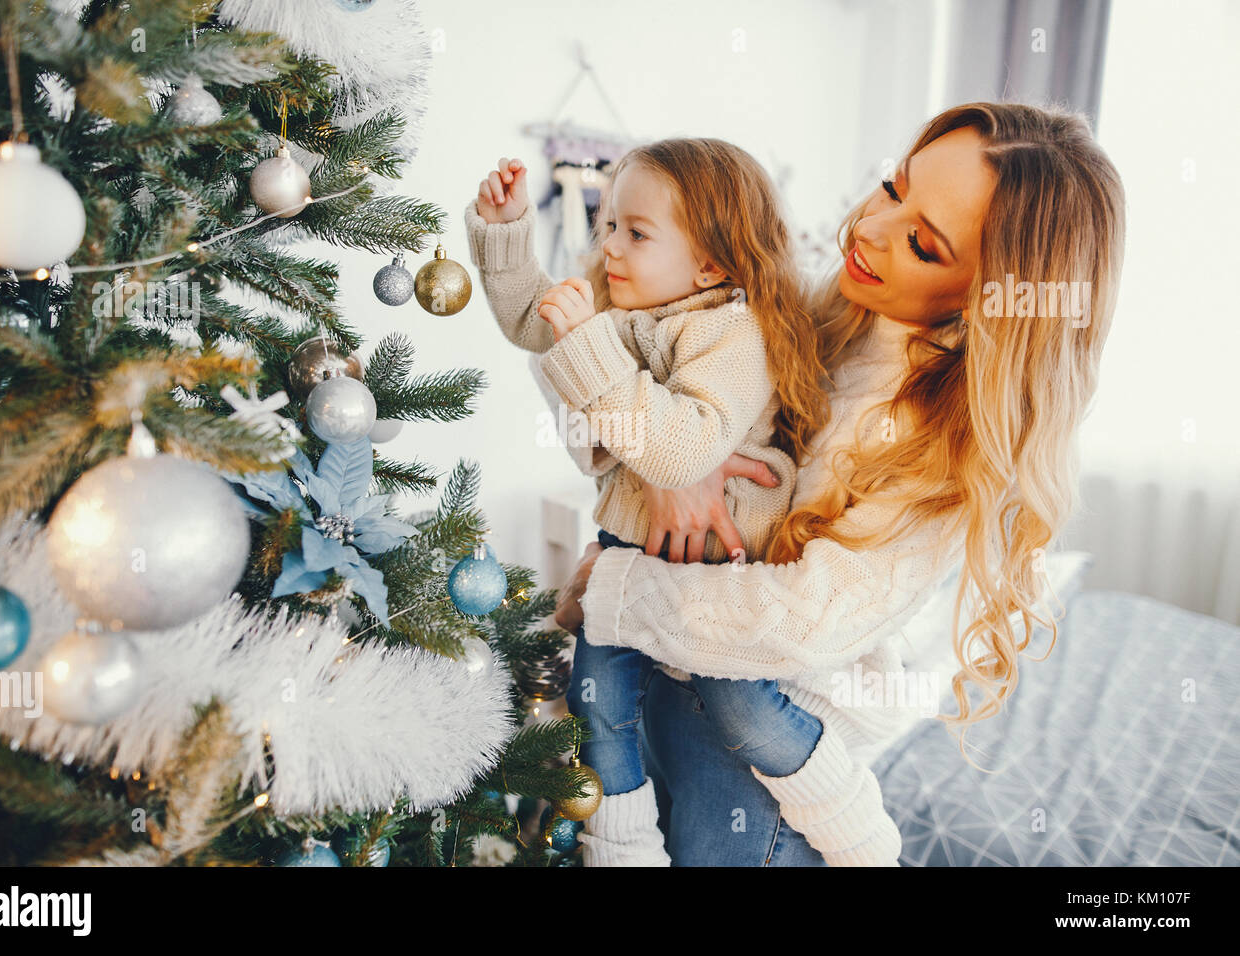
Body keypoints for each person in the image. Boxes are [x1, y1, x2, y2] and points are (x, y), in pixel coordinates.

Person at [554, 101, 1126, 866]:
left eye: (923, 242)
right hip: (658, 701)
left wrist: (616, 586)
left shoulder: (952, 443)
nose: (870, 229)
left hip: (752, 787)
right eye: (894, 188)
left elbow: (800, 622)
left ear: (987, 295)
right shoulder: (824, 316)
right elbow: (607, 401)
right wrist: (676, 462)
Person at [465, 137, 904, 865]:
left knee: (741, 708)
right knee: (597, 702)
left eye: (636, 234)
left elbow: (677, 451)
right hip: (627, 553)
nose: (610, 247)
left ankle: (855, 829)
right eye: (608, 225)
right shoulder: (623, 308)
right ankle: (624, 846)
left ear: (712, 263)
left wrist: (588, 345)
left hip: (713, 573)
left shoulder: (732, 334)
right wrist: (508, 234)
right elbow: (532, 322)